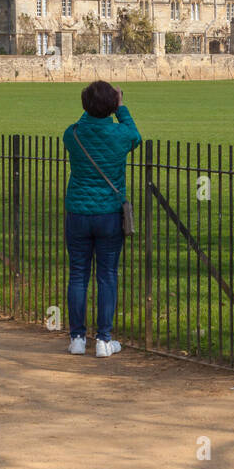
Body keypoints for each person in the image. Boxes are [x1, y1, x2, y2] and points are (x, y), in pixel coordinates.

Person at [63, 80, 142, 357]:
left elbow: (83, 123)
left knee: (78, 275)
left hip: (78, 213)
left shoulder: (72, 134)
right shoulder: (120, 136)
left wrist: (94, 107)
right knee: (107, 275)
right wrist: (120, 107)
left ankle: (76, 338)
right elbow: (136, 136)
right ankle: (104, 340)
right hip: (108, 212)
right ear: (111, 106)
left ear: (85, 106)